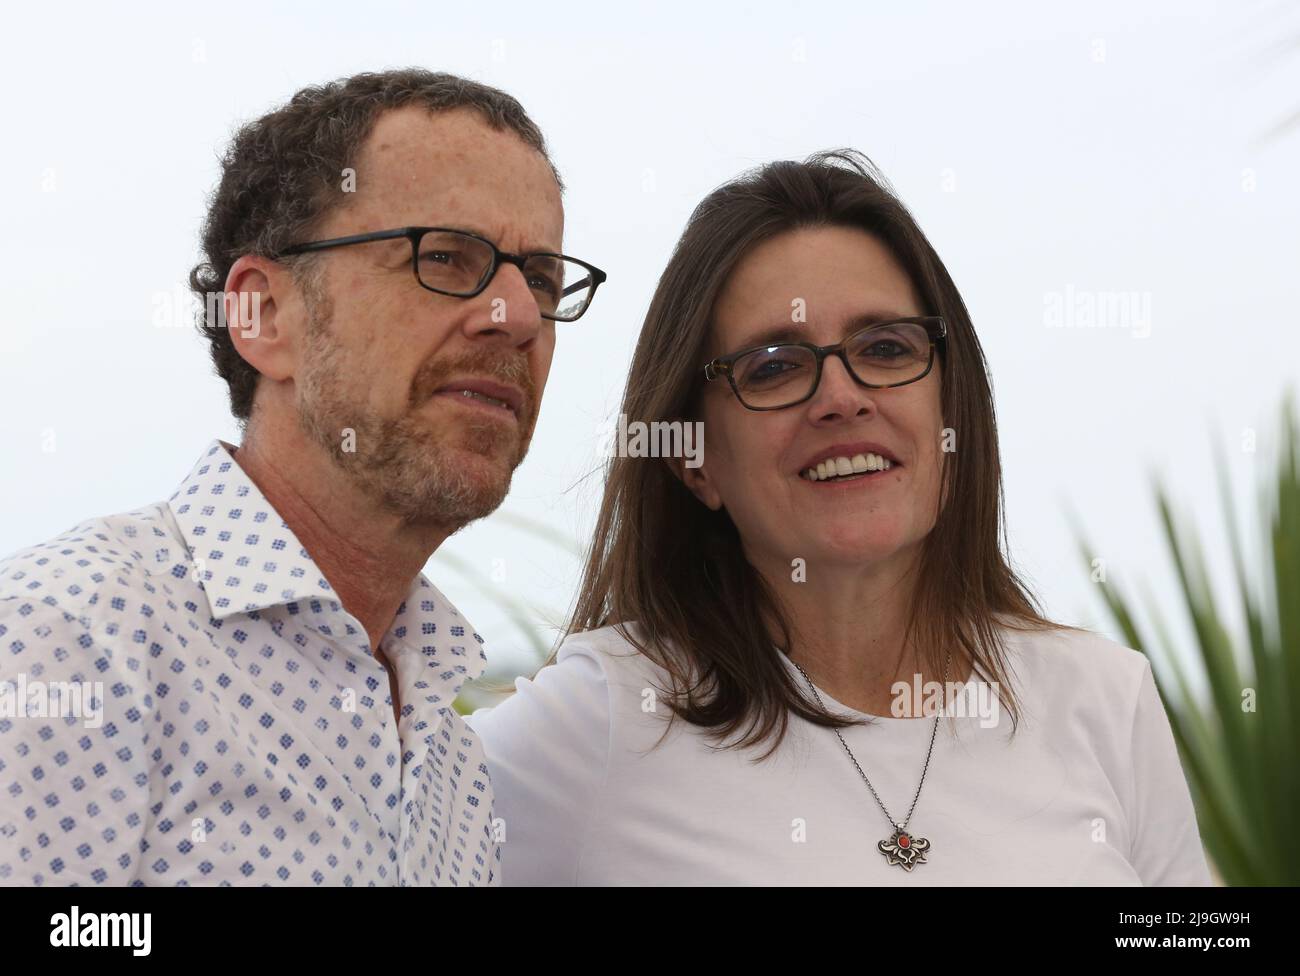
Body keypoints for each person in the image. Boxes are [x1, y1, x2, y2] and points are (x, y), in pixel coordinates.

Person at [466, 149, 1211, 886]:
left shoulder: (1105, 700)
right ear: (695, 460)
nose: (842, 396)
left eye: (886, 348)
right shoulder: (603, 720)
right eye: (773, 366)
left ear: (952, 408)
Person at [0, 68, 605, 886]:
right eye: (447, 258)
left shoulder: (454, 756)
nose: (520, 317)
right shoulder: (67, 646)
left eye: (539, 279)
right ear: (263, 315)